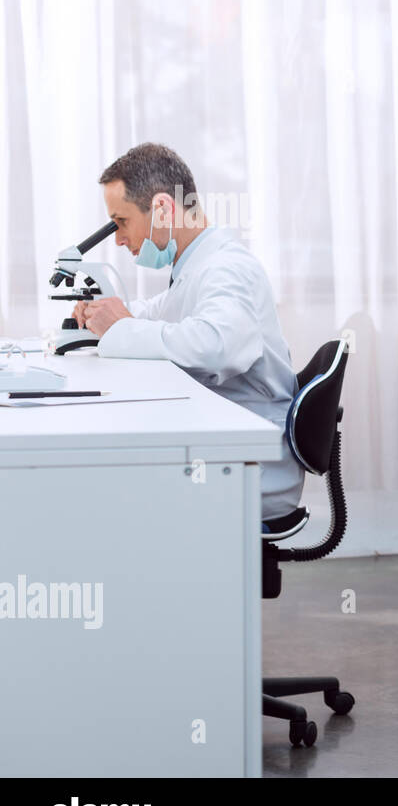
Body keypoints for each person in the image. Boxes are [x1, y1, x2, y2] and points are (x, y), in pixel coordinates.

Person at [77, 142, 305, 523]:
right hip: (228, 443)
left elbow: (215, 347)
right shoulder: (198, 264)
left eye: (121, 222)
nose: (118, 239)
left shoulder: (225, 268)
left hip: (251, 464)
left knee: (102, 488)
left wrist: (121, 327)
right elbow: (164, 314)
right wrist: (108, 314)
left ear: (163, 208)